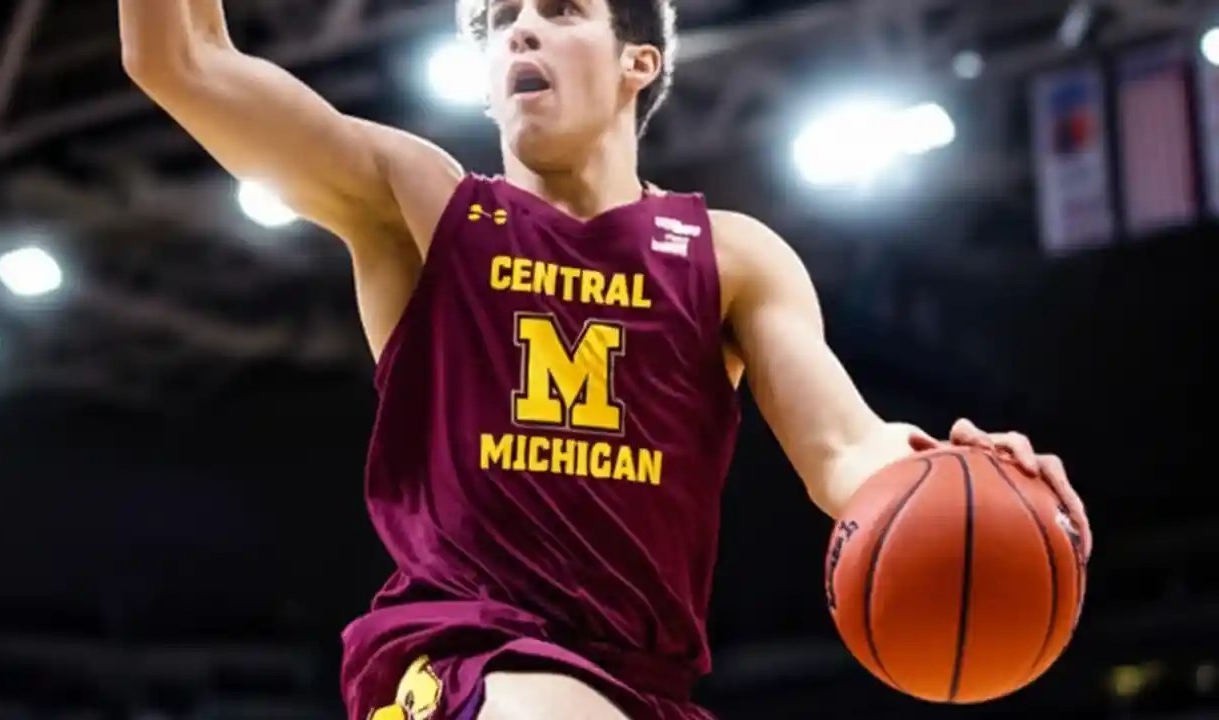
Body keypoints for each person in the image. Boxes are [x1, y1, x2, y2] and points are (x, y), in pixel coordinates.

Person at [118, 1, 1092, 718]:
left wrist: (964, 482)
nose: (519, 35)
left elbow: (842, 452)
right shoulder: (422, 207)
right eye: (498, 22)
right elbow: (183, 60)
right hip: (461, 660)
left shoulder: (731, 256)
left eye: (556, 12)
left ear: (637, 61)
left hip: (642, 690)